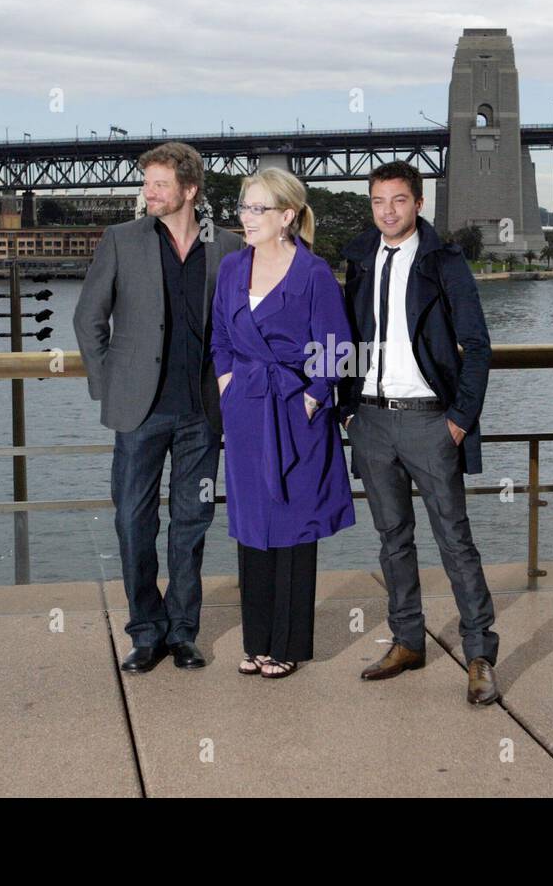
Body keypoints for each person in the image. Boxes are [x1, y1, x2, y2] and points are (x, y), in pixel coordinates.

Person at [73, 142, 241, 673]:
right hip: (139, 412)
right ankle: (145, 632)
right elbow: (88, 321)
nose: (148, 192)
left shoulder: (228, 249)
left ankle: (183, 632)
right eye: (147, 183)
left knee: (193, 521)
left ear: (189, 190)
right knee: (132, 522)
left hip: (201, 414)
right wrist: (109, 386)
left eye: (159, 184)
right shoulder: (121, 240)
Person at [338, 160, 500, 705]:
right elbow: (347, 338)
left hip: (432, 419)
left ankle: (479, 656)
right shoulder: (359, 258)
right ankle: (407, 640)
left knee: (455, 541)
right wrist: (347, 410)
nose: (388, 211)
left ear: (419, 204)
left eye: (399, 201)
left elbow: (477, 346)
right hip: (372, 420)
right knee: (392, 540)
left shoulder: (444, 262)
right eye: (379, 201)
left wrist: (459, 419)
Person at [211, 167, 355, 678]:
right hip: (247, 411)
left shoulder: (312, 273)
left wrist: (313, 401)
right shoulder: (231, 268)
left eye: (256, 209)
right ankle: (256, 642)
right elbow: (220, 341)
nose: (244, 218)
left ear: (287, 216)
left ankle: (287, 644)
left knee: (293, 524)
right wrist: (229, 389)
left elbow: (336, 348)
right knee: (252, 525)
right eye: (243, 208)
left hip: (296, 412)